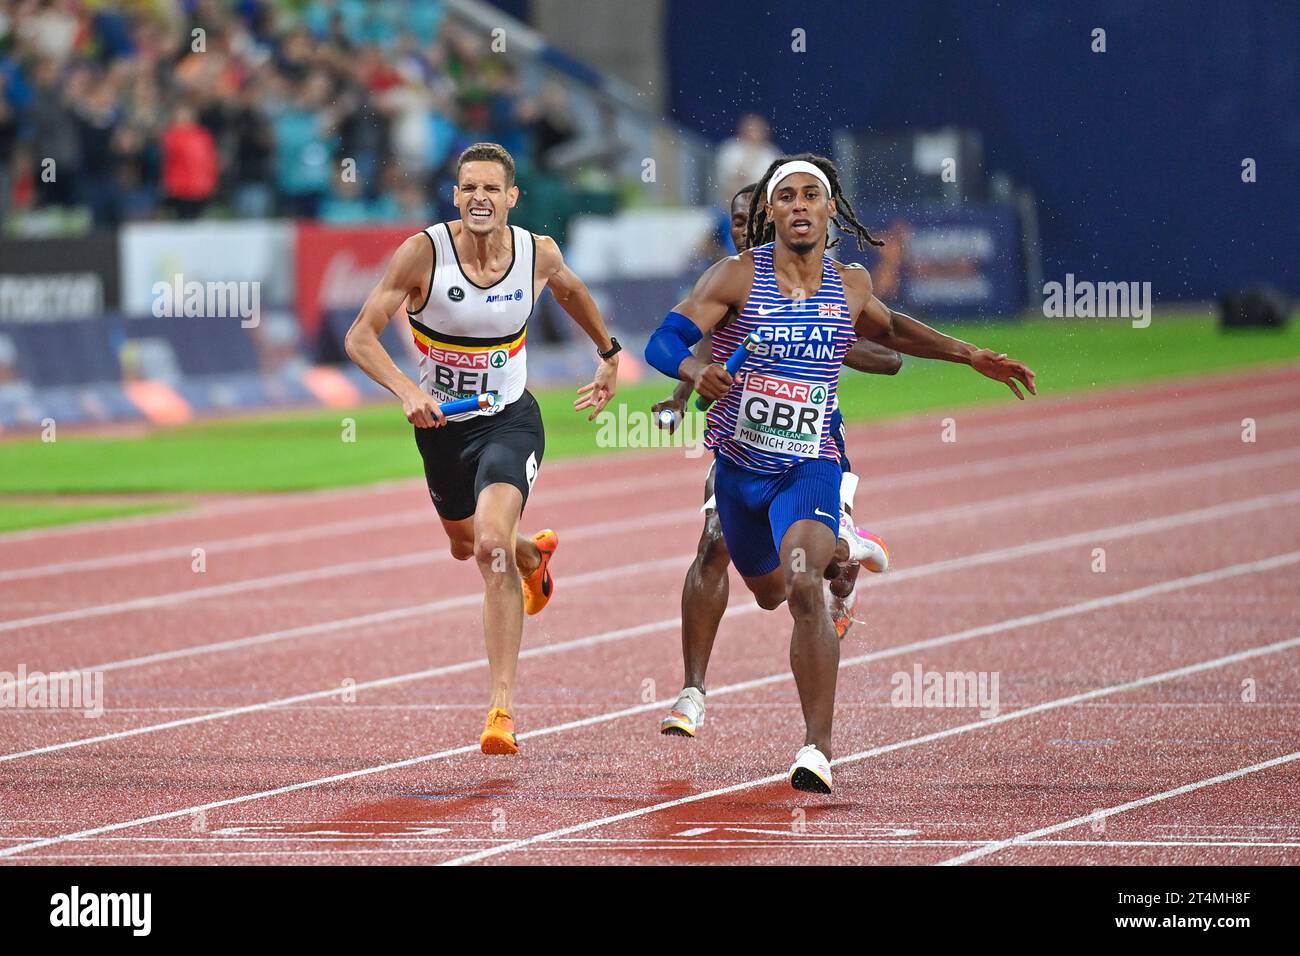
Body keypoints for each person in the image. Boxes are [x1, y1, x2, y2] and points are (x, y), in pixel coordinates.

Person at [644, 153, 1036, 792]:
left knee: (802, 586)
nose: (799, 206)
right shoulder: (735, 277)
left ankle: (816, 749)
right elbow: (663, 340)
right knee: (768, 590)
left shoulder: (849, 282)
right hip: (740, 471)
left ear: (830, 210)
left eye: (811, 196)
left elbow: (893, 330)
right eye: (787, 198)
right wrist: (692, 374)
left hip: (811, 465)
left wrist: (971, 355)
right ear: (769, 211)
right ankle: (846, 555)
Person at [345, 142, 621, 755]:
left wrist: (607, 353)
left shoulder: (536, 254)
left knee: (488, 547)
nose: (479, 198)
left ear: (511, 198)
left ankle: (501, 710)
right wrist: (404, 390)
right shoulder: (423, 253)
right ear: (456, 195)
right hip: (440, 427)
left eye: (491, 189)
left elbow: (571, 292)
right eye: (469, 188)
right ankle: (533, 556)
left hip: (509, 422)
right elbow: (359, 336)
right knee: (464, 542)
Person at [651, 182, 901, 740]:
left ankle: (845, 554)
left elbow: (889, 359)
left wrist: (815, 338)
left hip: (813, 447)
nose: (742, 233)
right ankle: (692, 688)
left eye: (748, 223)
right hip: (741, 446)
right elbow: (695, 350)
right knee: (754, 577)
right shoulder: (733, 277)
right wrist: (678, 394)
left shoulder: (825, 282)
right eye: (734, 224)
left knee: (801, 571)